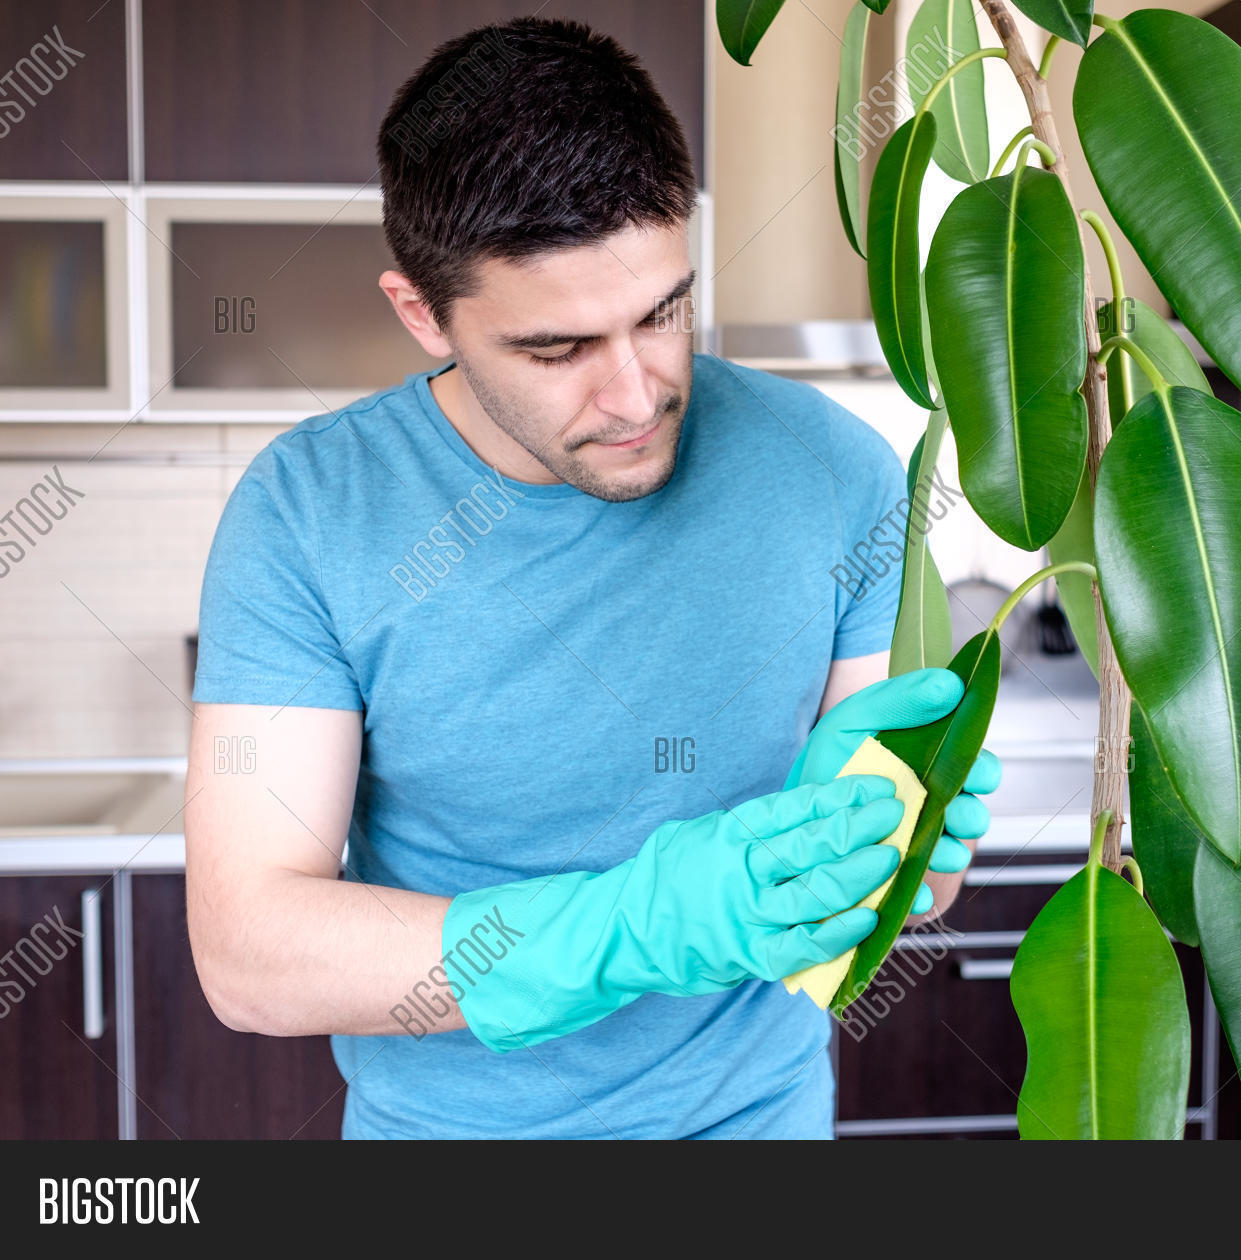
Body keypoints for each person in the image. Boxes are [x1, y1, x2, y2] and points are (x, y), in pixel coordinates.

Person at [185, 15, 999, 1140]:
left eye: (661, 312)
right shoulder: (309, 513)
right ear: (423, 314)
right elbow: (251, 953)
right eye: (557, 349)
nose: (635, 394)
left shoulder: (833, 472)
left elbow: (911, 899)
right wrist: (634, 925)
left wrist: (883, 846)